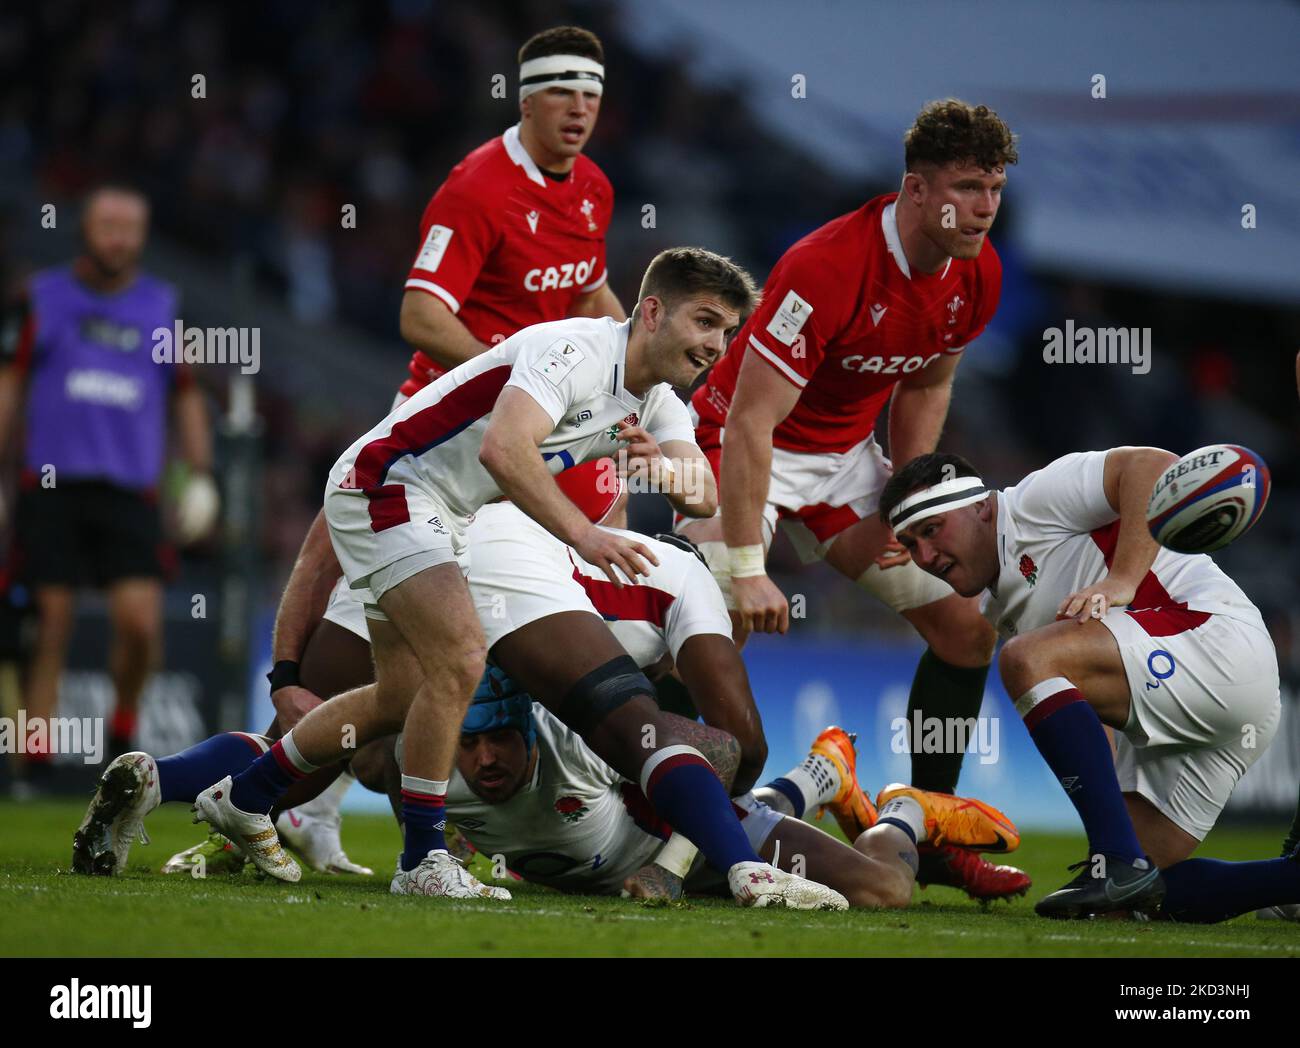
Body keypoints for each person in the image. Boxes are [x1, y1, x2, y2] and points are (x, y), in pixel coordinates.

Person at [187, 247, 841, 908]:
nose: (715, 345)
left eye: (727, 331)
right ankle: (421, 857)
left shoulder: (659, 402)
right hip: (391, 482)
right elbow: (505, 448)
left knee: (400, 694)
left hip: (442, 508)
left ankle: (245, 795)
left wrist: (665, 469)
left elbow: (702, 497)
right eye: (704, 322)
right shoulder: (575, 352)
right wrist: (585, 535)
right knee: (461, 660)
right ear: (650, 311)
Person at [246, 25, 628, 864]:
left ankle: (281, 799)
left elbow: (588, 286)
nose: (580, 109)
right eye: (562, 91)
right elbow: (420, 314)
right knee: (380, 659)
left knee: (429, 660)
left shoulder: (593, 189)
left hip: (509, 450)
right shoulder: (479, 186)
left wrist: (629, 360)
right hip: (431, 445)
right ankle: (255, 795)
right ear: (526, 97)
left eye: (592, 94)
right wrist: (516, 377)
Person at [678, 99, 1027, 899]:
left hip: (840, 462)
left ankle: (929, 833)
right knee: (706, 625)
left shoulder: (979, 273)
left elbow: (929, 382)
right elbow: (751, 425)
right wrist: (747, 563)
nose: (984, 207)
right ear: (914, 190)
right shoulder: (827, 265)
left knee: (967, 631)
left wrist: (911, 505)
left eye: (996, 189)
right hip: (732, 444)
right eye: (968, 187)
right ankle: (659, 818)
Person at [879, 447, 1300, 922]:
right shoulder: (996, 606)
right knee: (1137, 900)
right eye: (911, 545)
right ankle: (1287, 884)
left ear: (979, 505)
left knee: (1026, 657)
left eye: (931, 530)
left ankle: (1118, 861)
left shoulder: (1032, 501)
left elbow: (1152, 466)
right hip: (1231, 705)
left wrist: (1121, 580)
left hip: (1216, 643)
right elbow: (1083, 706)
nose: (926, 556)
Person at [0, 185, 217, 790]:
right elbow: (9, 386)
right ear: (85, 228)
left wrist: (200, 476)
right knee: (49, 625)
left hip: (132, 490)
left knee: (141, 624)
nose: (118, 236)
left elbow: (188, 396)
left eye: (130, 226)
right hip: (51, 485)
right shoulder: (40, 298)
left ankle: (122, 738)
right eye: (107, 224)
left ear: (143, 235)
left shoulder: (163, 306)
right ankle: (32, 765)